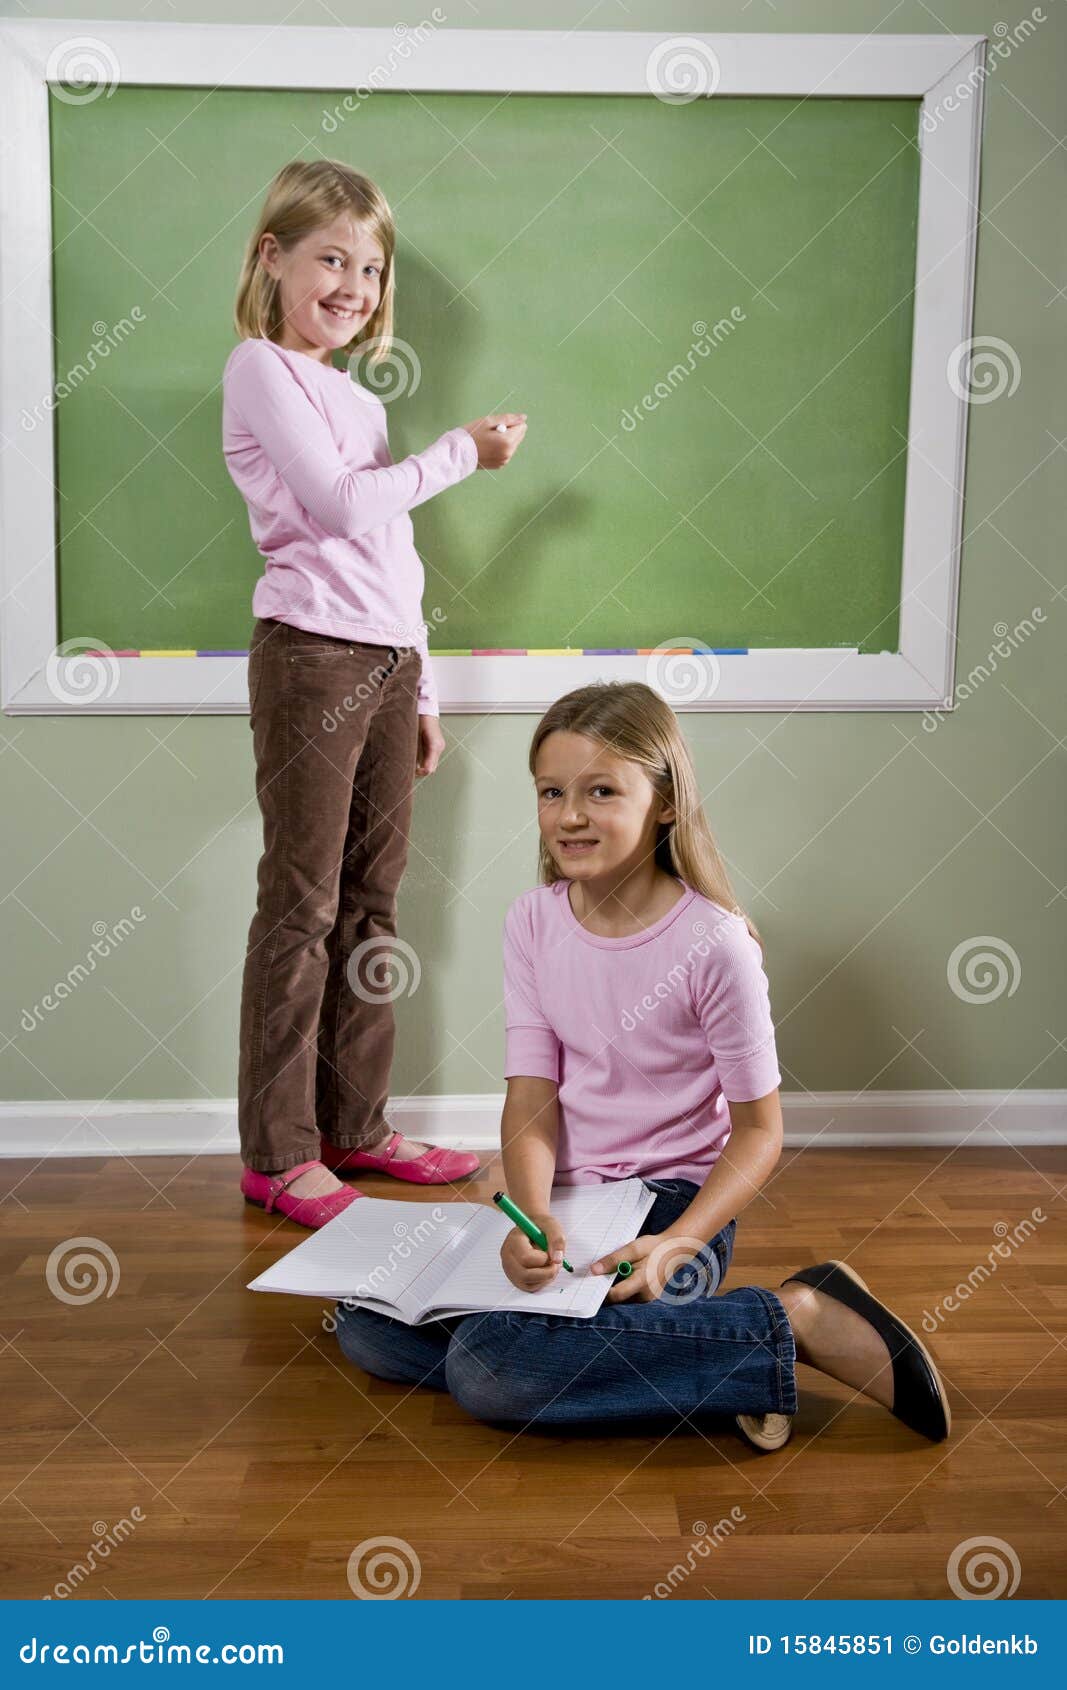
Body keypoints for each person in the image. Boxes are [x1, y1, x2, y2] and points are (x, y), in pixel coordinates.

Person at [335, 681, 950, 1450]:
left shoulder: (714, 943)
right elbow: (531, 1099)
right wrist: (528, 1218)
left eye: (600, 791)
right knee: (368, 1327)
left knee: (493, 1369)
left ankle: (797, 1317)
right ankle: (704, 1366)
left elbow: (759, 1131)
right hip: (569, 1203)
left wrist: (679, 1243)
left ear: (664, 802)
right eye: (551, 792)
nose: (569, 815)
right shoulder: (531, 922)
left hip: (666, 1205)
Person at [223, 159, 527, 1228]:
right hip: (311, 657)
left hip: (386, 664)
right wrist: (462, 452)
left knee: (371, 906)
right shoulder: (262, 368)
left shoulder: (355, 396)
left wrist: (426, 691)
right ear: (274, 259)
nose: (353, 283)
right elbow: (343, 510)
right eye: (331, 259)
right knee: (300, 906)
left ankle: (353, 1126)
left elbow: (393, 561)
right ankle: (278, 1151)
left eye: (370, 266)